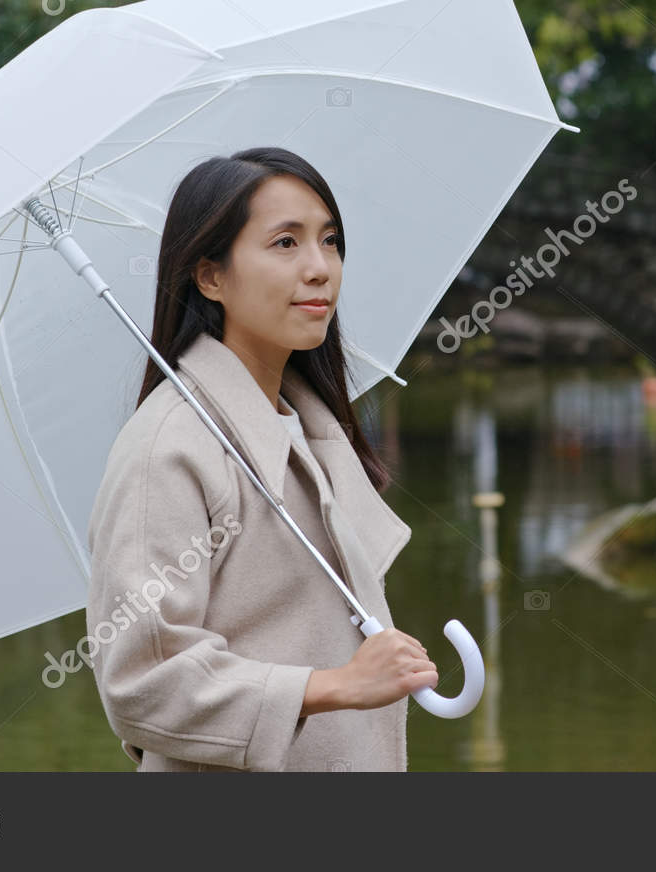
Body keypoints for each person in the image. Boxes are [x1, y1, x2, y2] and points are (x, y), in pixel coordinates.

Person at [85, 147, 437, 771]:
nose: (320, 268)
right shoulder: (168, 449)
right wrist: (333, 685)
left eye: (330, 241)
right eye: (284, 243)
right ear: (210, 276)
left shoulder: (309, 431)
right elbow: (140, 682)